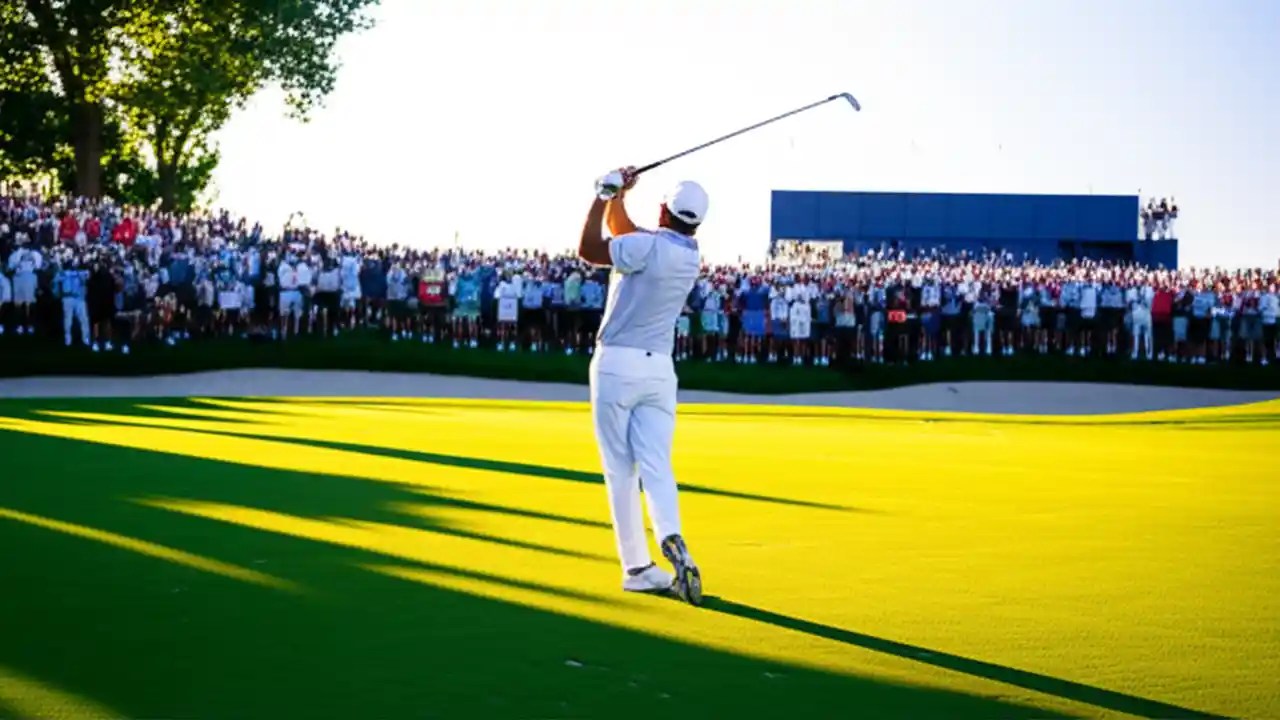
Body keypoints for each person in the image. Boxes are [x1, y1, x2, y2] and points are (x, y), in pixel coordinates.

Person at [578, 166, 705, 606]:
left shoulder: (646, 247)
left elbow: (588, 249)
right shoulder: (689, 255)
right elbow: (625, 233)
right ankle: (671, 535)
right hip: (659, 372)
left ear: (664, 211)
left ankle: (637, 567)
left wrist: (602, 193)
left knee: (620, 470)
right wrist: (619, 196)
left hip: (617, 364)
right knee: (657, 464)